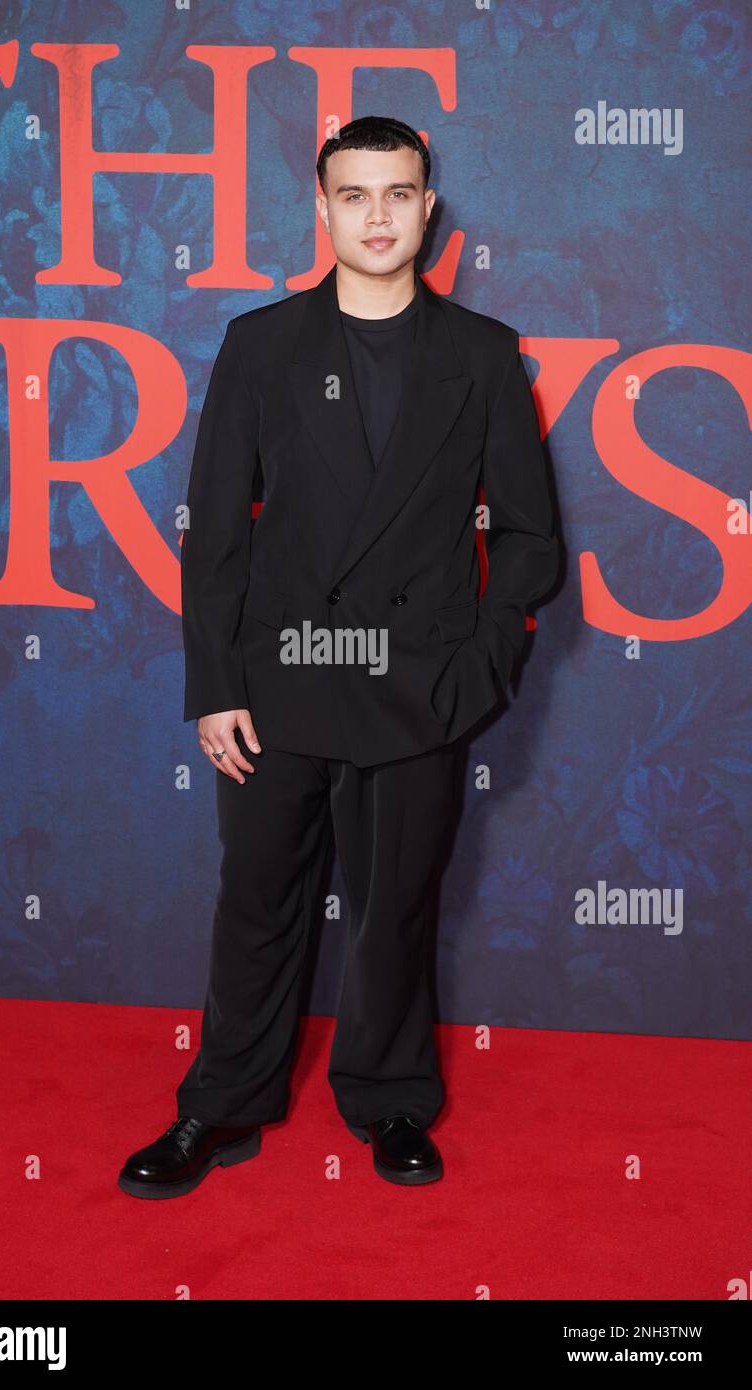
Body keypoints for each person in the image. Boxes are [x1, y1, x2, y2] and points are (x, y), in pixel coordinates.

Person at [118, 115, 560, 1197]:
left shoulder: (483, 353)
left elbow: (531, 536)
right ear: (321, 209)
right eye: (354, 194)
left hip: (421, 687)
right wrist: (215, 686)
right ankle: (217, 1106)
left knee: (396, 906)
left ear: (429, 210)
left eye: (397, 194)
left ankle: (393, 1098)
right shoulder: (261, 345)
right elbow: (216, 532)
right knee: (257, 901)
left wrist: (481, 667)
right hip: (279, 686)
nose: (376, 215)